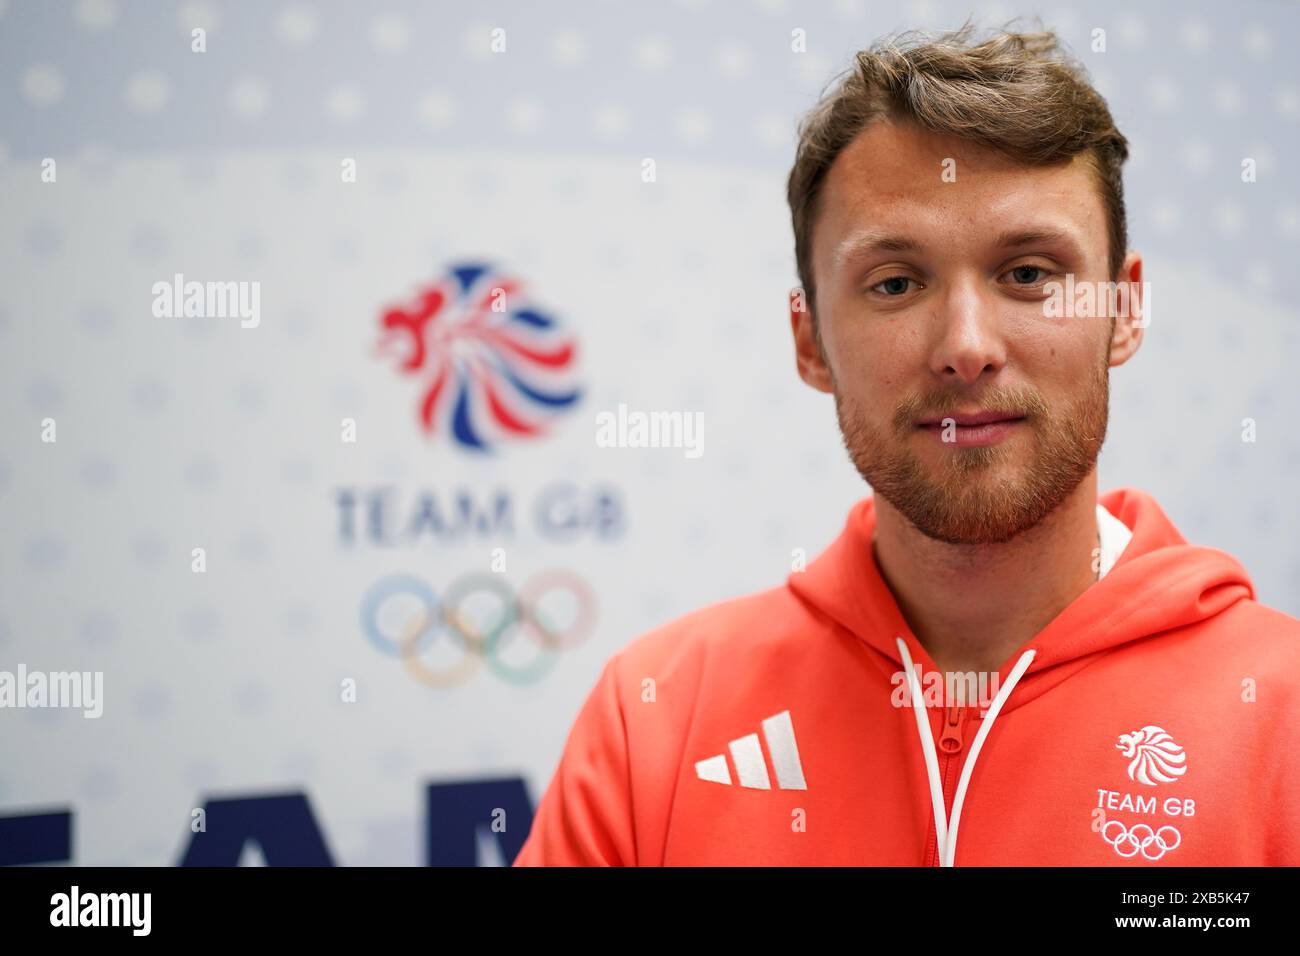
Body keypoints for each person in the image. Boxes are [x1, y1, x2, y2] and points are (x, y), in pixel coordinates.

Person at [513, 23, 1300, 866]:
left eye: (1029, 273)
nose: (966, 344)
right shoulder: (657, 717)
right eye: (896, 282)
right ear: (810, 340)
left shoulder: (1283, 713)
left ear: (1125, 309)